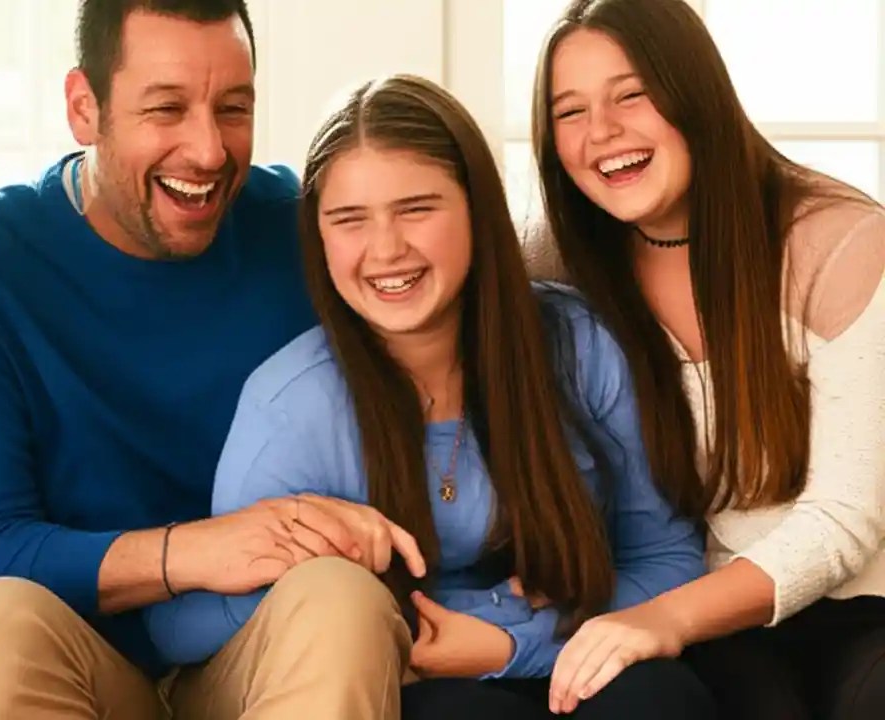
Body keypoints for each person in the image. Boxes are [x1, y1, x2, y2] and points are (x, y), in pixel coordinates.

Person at [0, 1, 428, 718]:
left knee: (342, 599)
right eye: (166, 109)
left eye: (233, 108)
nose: (209, 150)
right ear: (83, 108)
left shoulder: (305, 229)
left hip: (255, 653)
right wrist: (196, 552)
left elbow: (449, 351)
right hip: (79, 665)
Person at [143, 72, 712, 720]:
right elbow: (181, 631)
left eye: (416, 209)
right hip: (410, 680)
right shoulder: (292, 408)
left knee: (659, 699)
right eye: (349, 220)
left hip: (563, 642)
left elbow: (666, 557)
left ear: (477, 207)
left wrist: (504, 639)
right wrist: (316, 569)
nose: (386, 250)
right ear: (319, 237)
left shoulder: (579, 346)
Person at [524, 1, 885, 717]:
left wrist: (663, 620)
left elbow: (844, 518)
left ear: (695, 91)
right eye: (570, 111)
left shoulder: (838, 240)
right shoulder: (553, 259)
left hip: (856, 604)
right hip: (693, 610)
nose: (603, 133)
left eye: (631, 94)